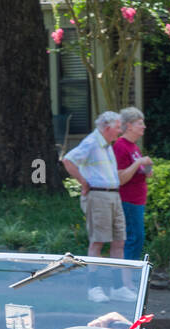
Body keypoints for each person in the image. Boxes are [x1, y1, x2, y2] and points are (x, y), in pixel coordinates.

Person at [61, 111, 134, 303]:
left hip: (113, 195)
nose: (121, 130)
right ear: (108, 128)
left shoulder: (107, 145)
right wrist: (84, 183)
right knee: (98, 242)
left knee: (119, 241)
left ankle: (117, 288)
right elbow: (68, 160)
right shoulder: (92, 142)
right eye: (118, 127)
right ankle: (94, 288)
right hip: (98, 195)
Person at [114, 107, 153, 262]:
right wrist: (138, 163)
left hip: (137, 200)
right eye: (139, 123)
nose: (143, 127)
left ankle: (129, 279)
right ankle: (126, 280)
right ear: (129, 126)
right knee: (133, 238)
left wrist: (147, 168)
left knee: (137, 238)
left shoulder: (134, 147)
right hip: (128, 200)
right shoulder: (120, 146)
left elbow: (137, 171)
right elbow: (120, 178)